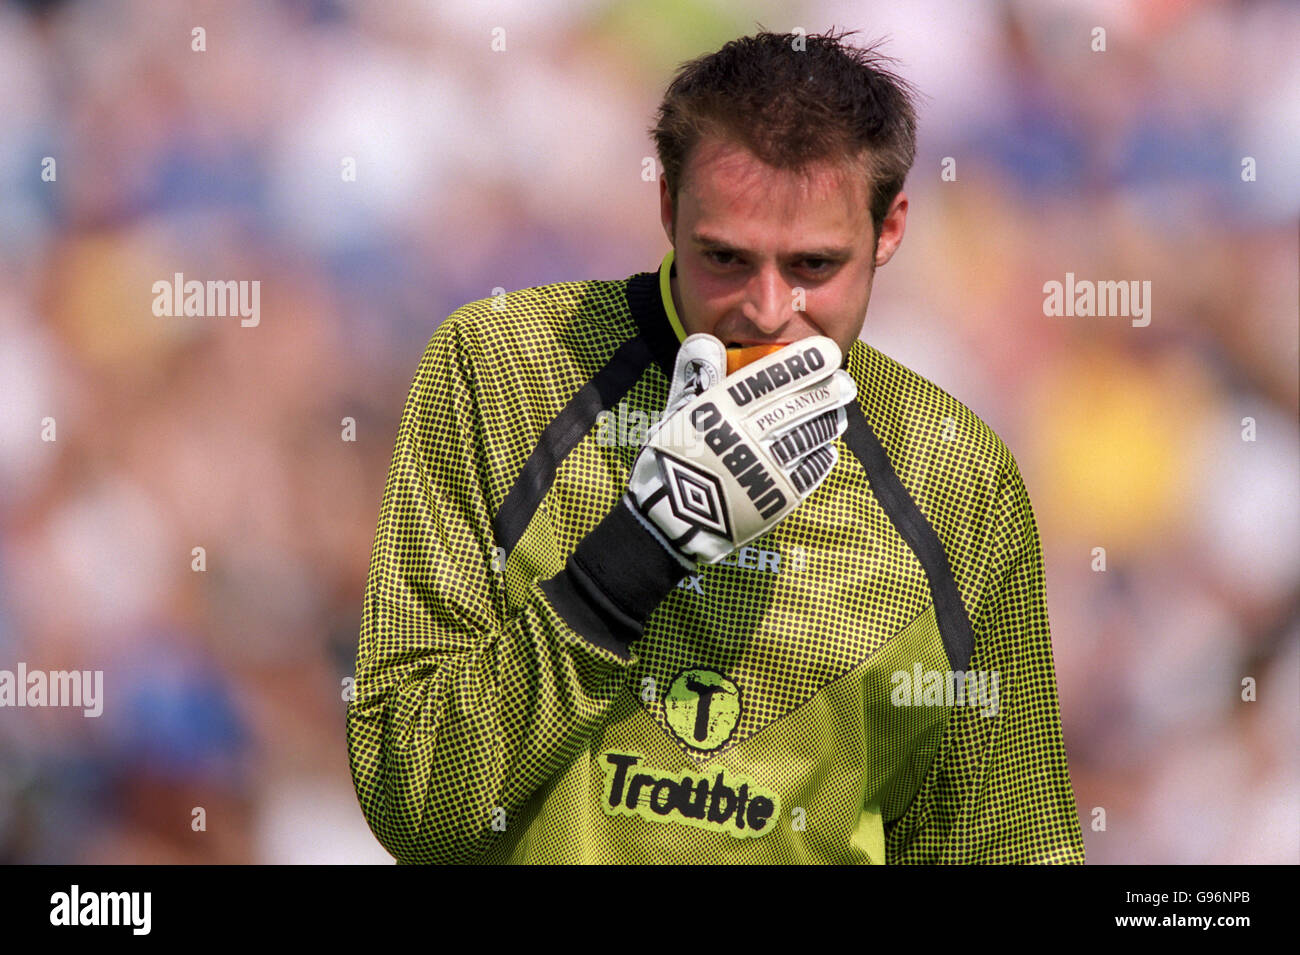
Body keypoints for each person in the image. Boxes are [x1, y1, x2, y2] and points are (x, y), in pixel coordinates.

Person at [345, 28, 1086, 864]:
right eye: (725, 257)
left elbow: (1013, 849)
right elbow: (413, 797)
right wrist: (630, 560)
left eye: (813, 263)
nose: (768, 310)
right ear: (667, 206)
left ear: (889, 230)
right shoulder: (503, 366)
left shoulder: (956, 473)